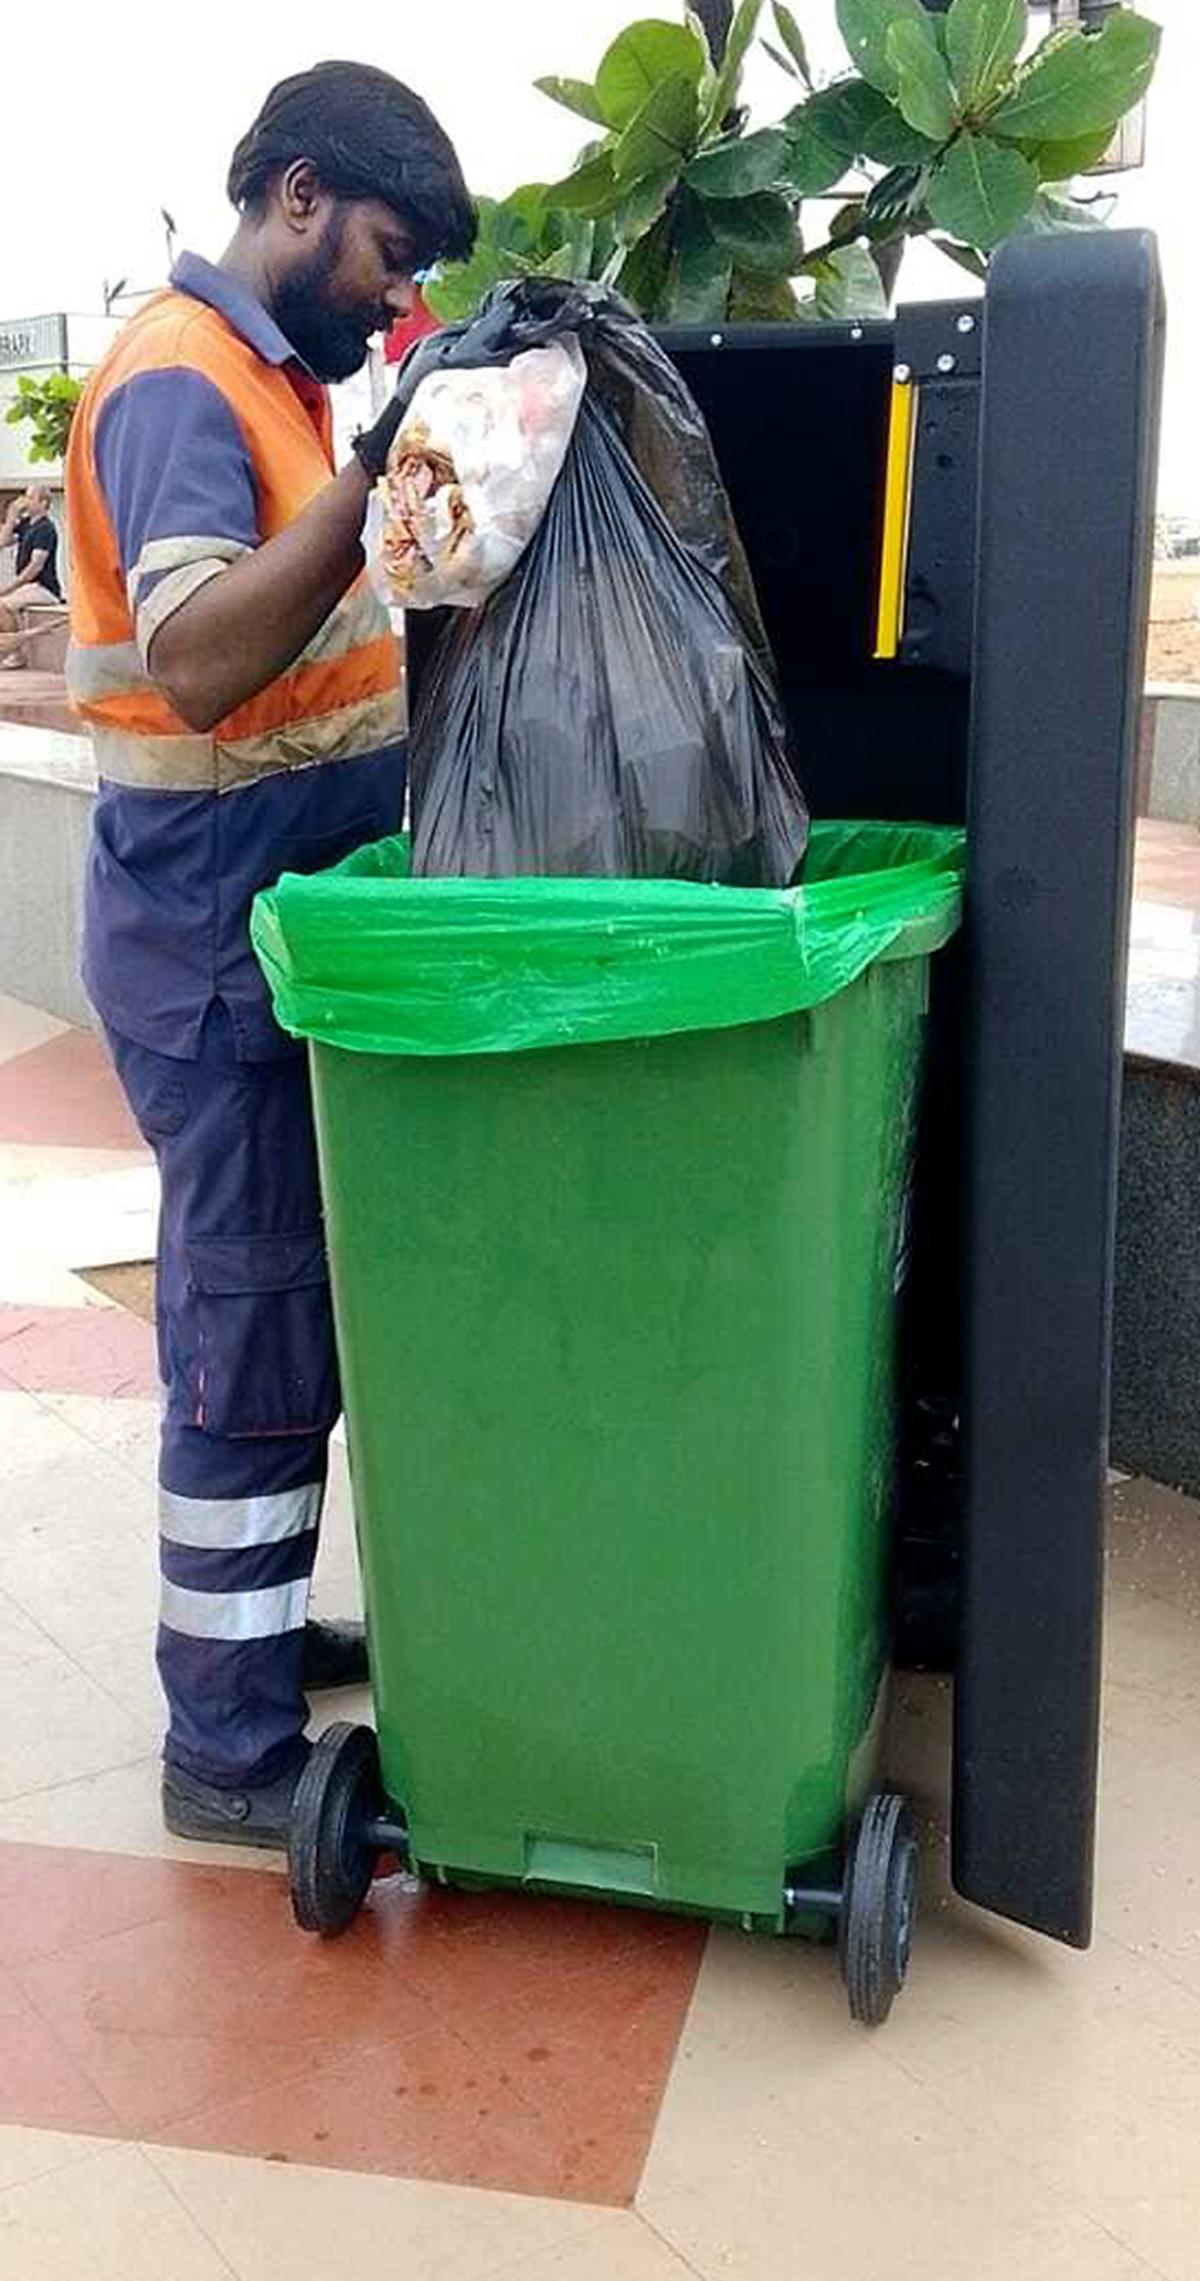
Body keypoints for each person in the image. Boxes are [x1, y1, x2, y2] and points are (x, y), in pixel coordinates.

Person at [64, 60, 474, 1847]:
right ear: (299, 194)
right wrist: (371, 470)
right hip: (214, 947)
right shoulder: (180, 379)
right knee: (248, 1326)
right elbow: (205, 656)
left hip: (272, 934)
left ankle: (253, 1623)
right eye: (389, 253)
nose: (398, 297)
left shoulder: (279, 383)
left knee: (292, 1309)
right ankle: (223, 1751)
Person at [0, 484, 64, 664]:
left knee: (2, 605)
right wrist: (11, 517)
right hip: (29, 587)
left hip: (43, 588)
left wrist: (9, 589)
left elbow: (35, 568)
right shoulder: (26, 525)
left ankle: (16, 654)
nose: (25, 502)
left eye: (30, 498)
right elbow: (3, 542)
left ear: (43, 503)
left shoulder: (45, 529)